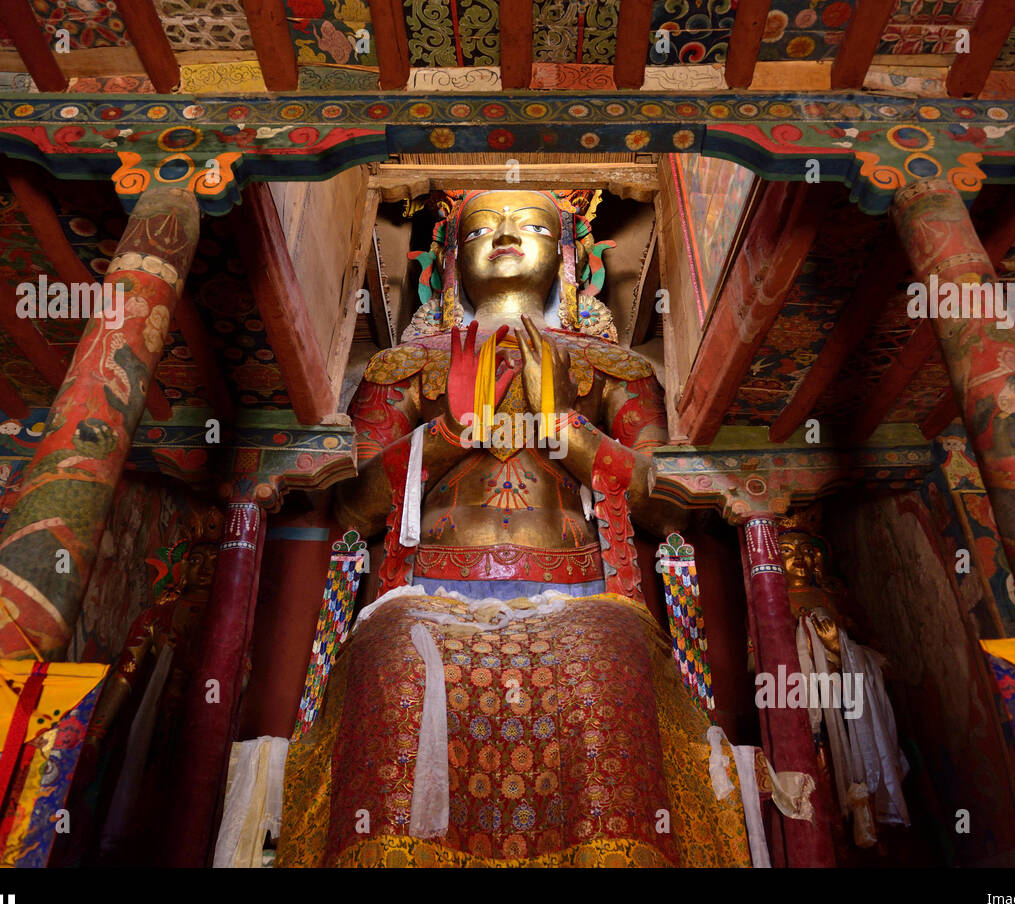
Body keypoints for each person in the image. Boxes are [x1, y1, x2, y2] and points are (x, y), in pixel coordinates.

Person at [277, 190, 752, 867]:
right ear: (451, 262)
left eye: (529, 225)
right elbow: (352, 503)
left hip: (582, 597)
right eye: (480, 229)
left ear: (565, 255)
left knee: (607, 662)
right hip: (425, 594)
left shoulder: (612, 365)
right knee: (393, 663)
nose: (503, 234)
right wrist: (448, 432)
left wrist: (564, 428)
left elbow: (667, 503)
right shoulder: (404, 366)